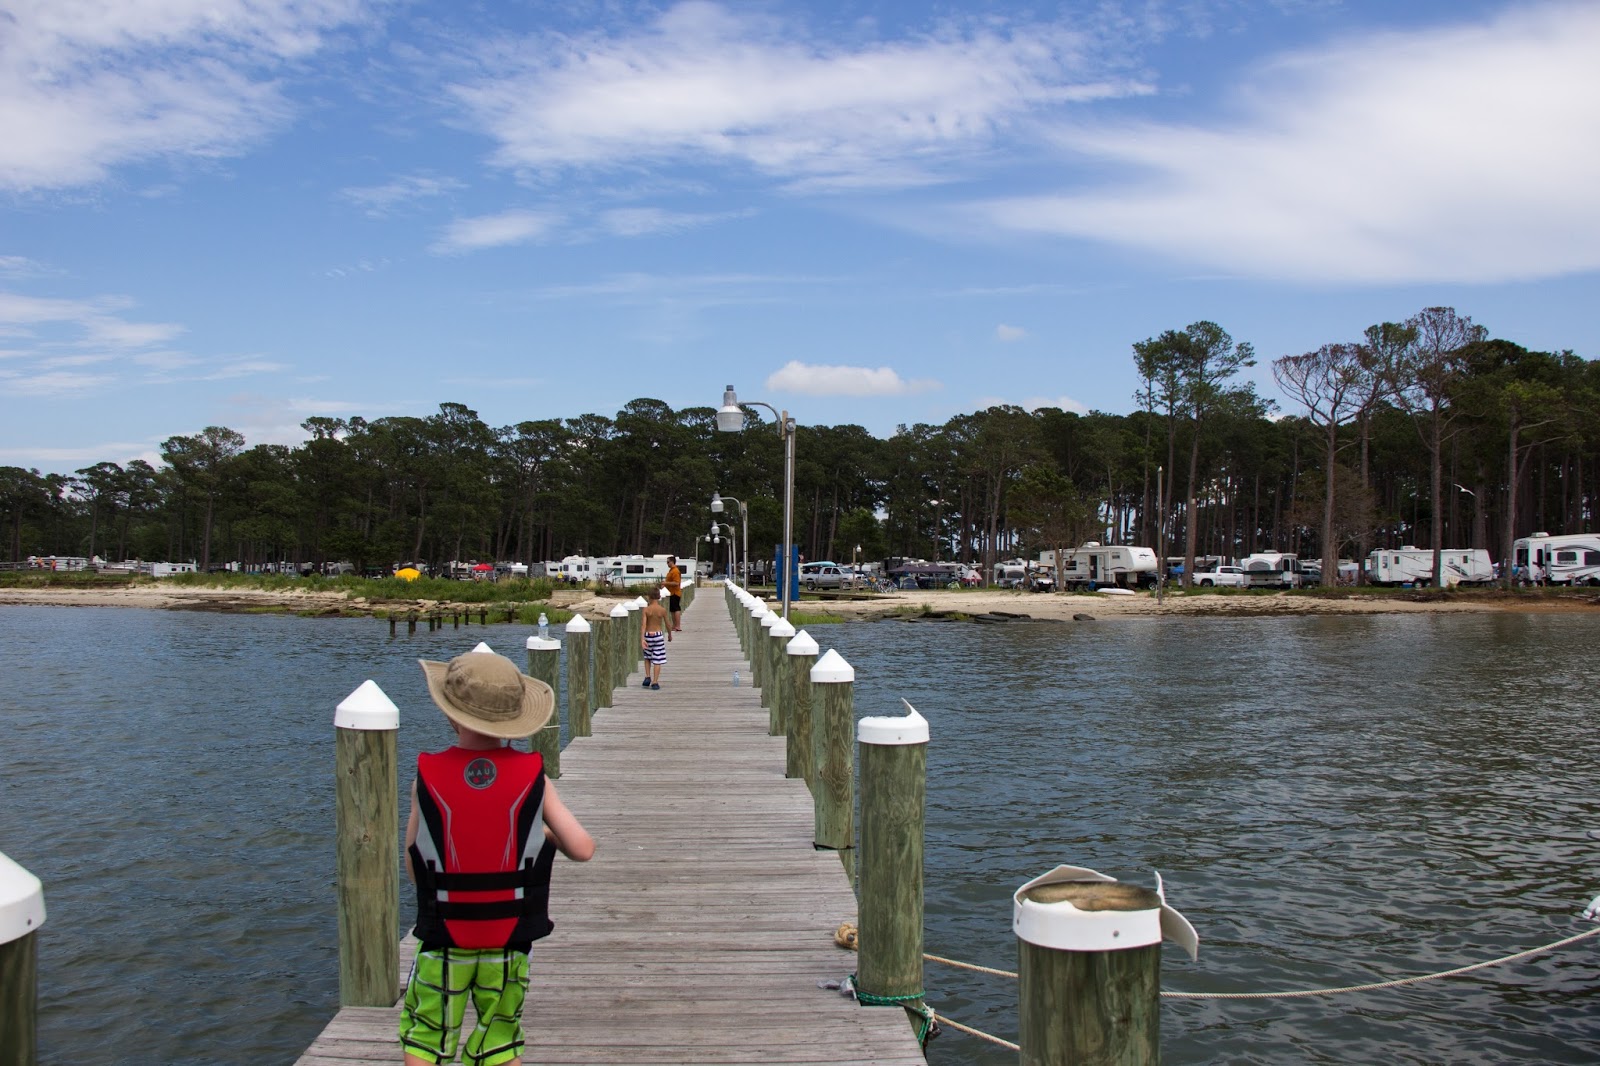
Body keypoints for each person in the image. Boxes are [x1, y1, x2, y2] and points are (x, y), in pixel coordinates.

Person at [400, 651, 595, 1066]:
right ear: (514, 721)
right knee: (500, 1042)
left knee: (426, 1036)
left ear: (450, 715)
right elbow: (582, 848)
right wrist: (541, 834)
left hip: (443, 934)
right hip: (509, 938)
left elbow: (416, 868)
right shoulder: (535, 778)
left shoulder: (425, 777)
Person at [641, 586, 671, 690]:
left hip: (648, 635)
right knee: (657, 660)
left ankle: (647, 676)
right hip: (658, 635)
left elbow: (643, 625)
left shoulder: (646, 610)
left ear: (649, 597)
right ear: (659, 597)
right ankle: (655, 682)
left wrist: (642, 639)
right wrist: (670, 635)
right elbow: (667, 624)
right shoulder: (662, 610)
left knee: (647, 657)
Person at [663, 555, 683, 631]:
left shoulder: (675, 571)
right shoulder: (671, 570)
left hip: (675, 593)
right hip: (671, 592)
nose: (667, 564)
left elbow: (676, 583)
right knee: (672, 610)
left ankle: (678, 625)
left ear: (672, 562)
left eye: (668, 562)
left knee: (676, 609)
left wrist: (666, 583)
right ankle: (674, 625)